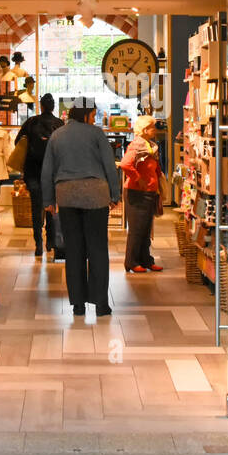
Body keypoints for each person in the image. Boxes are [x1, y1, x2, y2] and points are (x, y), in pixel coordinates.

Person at [41, 100, 121, 319]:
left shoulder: (57, 135)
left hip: (66, 196)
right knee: (97, 249)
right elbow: (109, 166)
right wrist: (115, 194)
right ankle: (101, 304)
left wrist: (48, 199)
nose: (94, 118)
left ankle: (78, 305)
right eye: (93, 114)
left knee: (74, 250)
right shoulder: (96, 134)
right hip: (96, 195)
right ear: (86, 114)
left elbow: (47, 169)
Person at [15, 93, 64, 256]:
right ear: (53, 107)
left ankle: (38, 244)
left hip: (33, 171)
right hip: (53, 172)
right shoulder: (59, 124)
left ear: (41, 106)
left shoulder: (31, 122)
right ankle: (50, 241)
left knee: (36, 207)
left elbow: (17, 142)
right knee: (50, 206)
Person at [119, 115, 164, 273]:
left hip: (148, 192)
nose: (155, 130)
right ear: (145, 130)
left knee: (145, 228)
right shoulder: (137, 145)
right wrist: (139, 179)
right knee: (137, 229)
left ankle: (145, 260)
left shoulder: (149, 145)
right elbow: (125, 164)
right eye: (152, 127)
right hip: (137, 192)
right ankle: (131, 261)